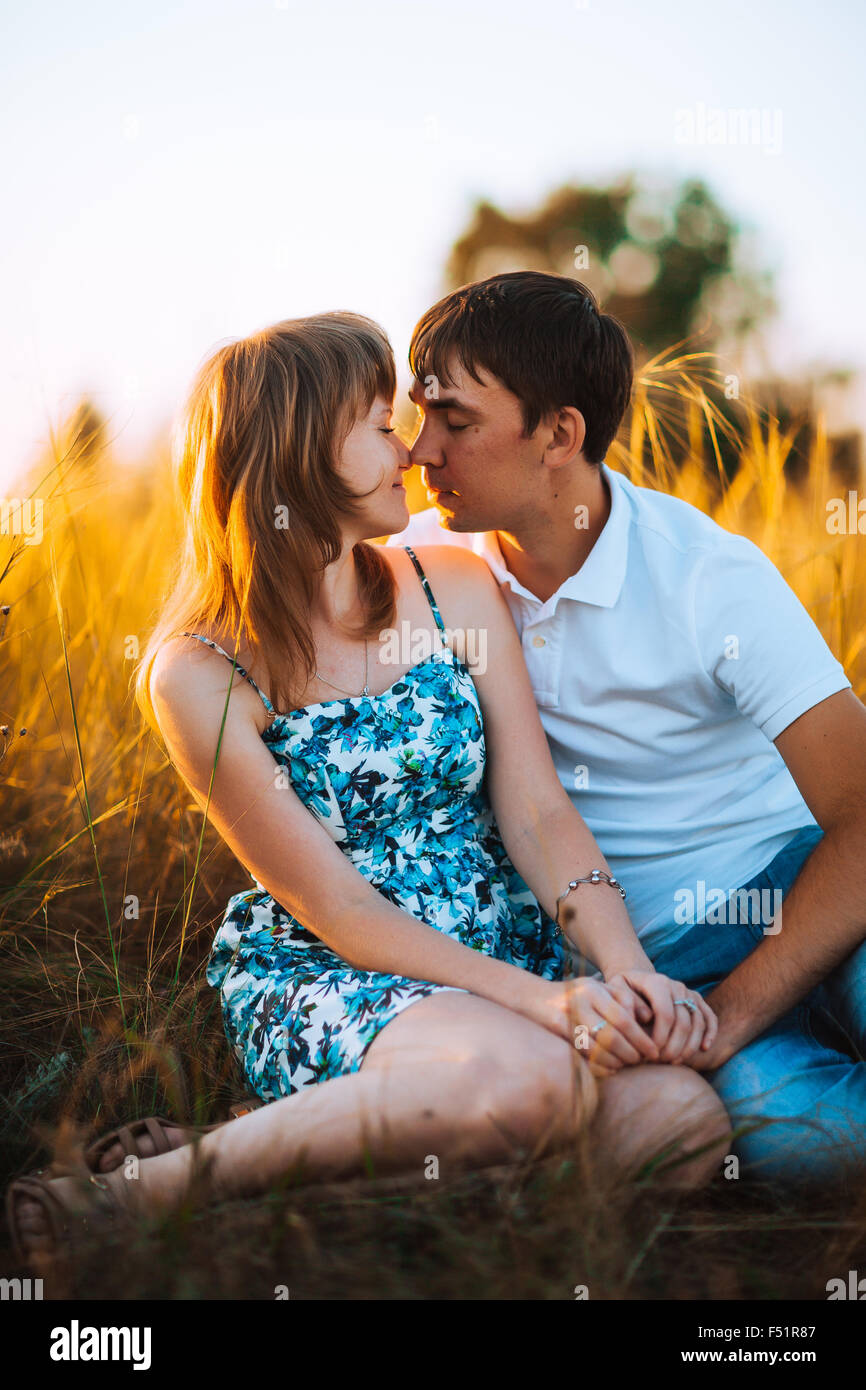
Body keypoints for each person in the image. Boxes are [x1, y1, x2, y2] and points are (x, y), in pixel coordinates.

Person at [7, 312, 730, 1273]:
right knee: (525, 1087)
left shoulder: (454, 585)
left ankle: (307, 1176)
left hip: (502, 942)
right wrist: (540, 1007)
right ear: (299, 451)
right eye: (380, 422)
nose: (413, 448)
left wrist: (621, 969)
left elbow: (538, 810)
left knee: (681, 1130)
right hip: (342, 968)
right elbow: (340, 908)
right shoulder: (199, 670)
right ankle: (140, 1196)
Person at [395, 269, 866, 1185]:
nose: (422, 452)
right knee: (799, 1142)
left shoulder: (708, 577)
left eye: (457, 423)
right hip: (649, 964)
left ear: (560, 434)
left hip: (807, 895)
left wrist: (731, 1017)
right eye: (421, 419)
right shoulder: (426, 565)